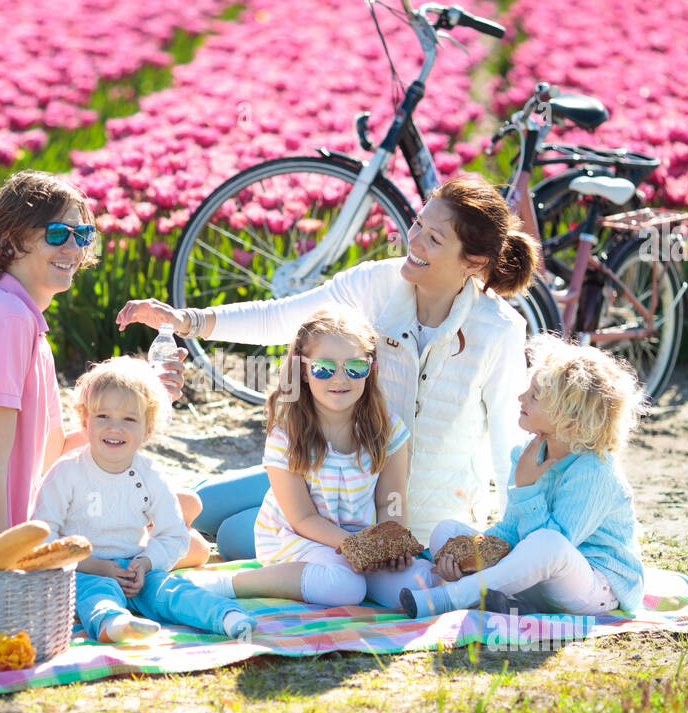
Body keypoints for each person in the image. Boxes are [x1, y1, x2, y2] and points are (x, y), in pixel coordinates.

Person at [116, 175, 539, 557]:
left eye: (434, 238)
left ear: (474, 262)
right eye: (417, 225)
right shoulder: (379, 282)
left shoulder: (499, 330)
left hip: (408, 523)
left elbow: (511, 447)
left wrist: (506, 542)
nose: (414, 241)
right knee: (205, 500)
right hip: (331, 478)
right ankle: (127, 523)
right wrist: (186, 320)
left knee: (230, 535)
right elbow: (281, 318)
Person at [0, 170, 208, 564]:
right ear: (11, 240)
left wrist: (144, 393)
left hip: (1, 516)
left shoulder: (8, 313)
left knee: (186, 505)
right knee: (190, 542)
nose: (73, 248)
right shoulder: (6, 322)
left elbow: (55, 454)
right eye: (57, 234)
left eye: (82, 236)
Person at [184, 306, 435, 608]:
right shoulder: (287, 435)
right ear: (302, 371)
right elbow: (302, 517)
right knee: (345, 587)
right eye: (323, 369)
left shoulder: (388, 429)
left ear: (372, 368)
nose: (340, 378)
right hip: (298, 539)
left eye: (355, 366)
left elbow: (391, 501)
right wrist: (349, 545)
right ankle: (229, 584)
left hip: (360, 542)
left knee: (412, 587)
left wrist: (391, 540)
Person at [401, 335, 647, 619]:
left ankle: (450, 598)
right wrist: (466, 556)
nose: (521, 398)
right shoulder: (529, 455)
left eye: (535, 396)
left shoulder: (594, 471)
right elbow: (511, 531)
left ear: (569, 418)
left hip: (595, 588)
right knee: (446, 533)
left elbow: (551, 545)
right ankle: (510, 603)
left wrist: (527, 487)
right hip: (539, 578)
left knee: (547, 543)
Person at [32, 357, 255, 643]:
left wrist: (146, 563)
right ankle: (114, 624)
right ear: (85, 422)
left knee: (172, 591)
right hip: (85, 569)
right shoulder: (65, 473)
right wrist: (93, 565)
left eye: (129, 419)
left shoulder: (150, 475)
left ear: (147, 428)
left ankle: (226, 617)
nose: (115, 428)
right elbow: (43, 533)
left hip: (136, 567)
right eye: (103, 417)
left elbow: (173, 534)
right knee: (93, 595)